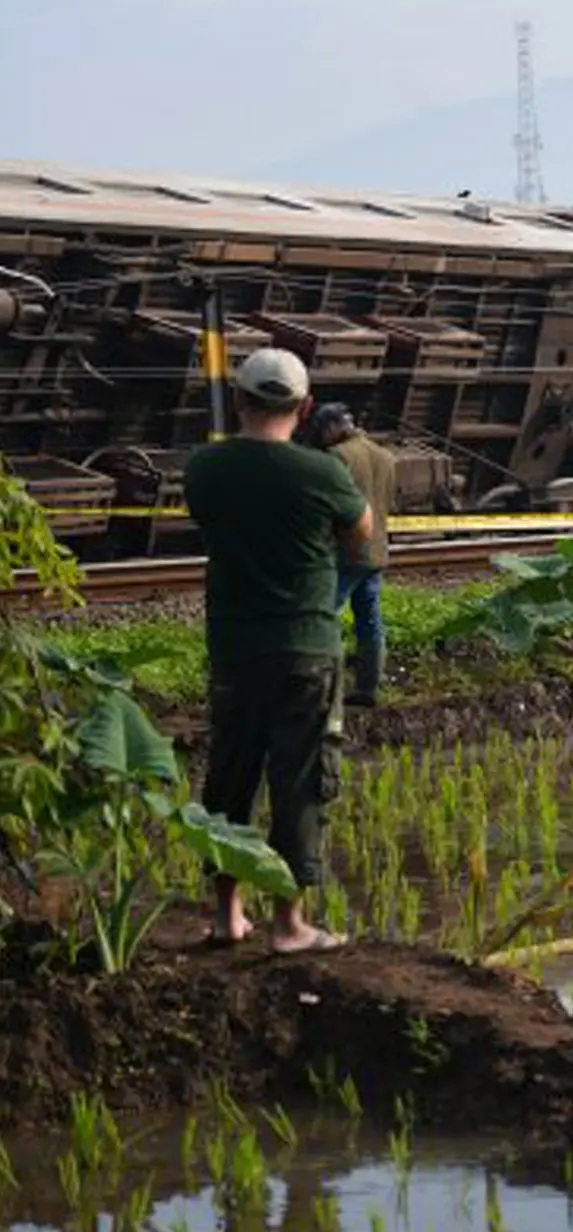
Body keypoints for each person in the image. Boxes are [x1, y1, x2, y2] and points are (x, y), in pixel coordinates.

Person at [184, 349, 373, 953]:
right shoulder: (322, 473)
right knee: (299, 783)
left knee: (230, 778)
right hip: (307, 650)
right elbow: (360, 532)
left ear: (239, 401)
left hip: (234, 649)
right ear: (305, 406)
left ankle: (226, 916)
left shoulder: (205, 468)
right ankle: (290, 925)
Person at [307, 403, 394, 708]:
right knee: (369, 620)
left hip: (347, 552)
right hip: (377, 551)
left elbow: (328, 508)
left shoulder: (337, 457)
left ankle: (321, 689)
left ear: (333, 427)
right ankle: (368, 687)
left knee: (324, 617)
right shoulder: (385, 456)